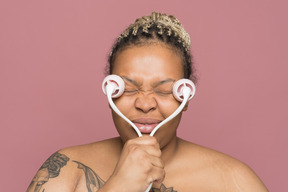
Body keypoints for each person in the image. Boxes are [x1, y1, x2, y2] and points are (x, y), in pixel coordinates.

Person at [27, 12, 268, 192]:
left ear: (185, 98)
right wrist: (118, 187)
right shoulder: (67, 168)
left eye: (163, 91)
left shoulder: (235, 181)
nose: (145, 104)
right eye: (128, 89)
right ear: (110, 93)